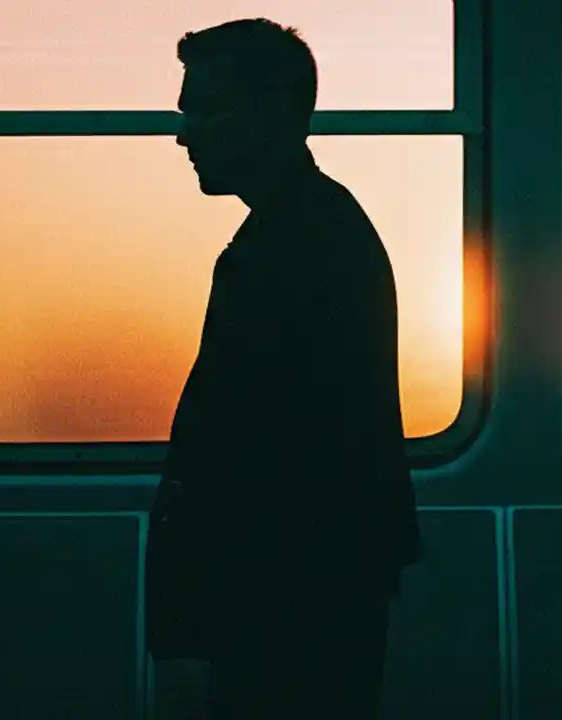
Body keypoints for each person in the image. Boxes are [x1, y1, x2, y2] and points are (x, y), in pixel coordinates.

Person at [145, 17, 423, 719]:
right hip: (311, 592)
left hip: (282, 604)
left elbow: (248, 464)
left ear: (271, 110)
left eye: (203, 110)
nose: (184, 135)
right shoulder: (318, 230)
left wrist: (191, 634)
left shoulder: (286, 252)